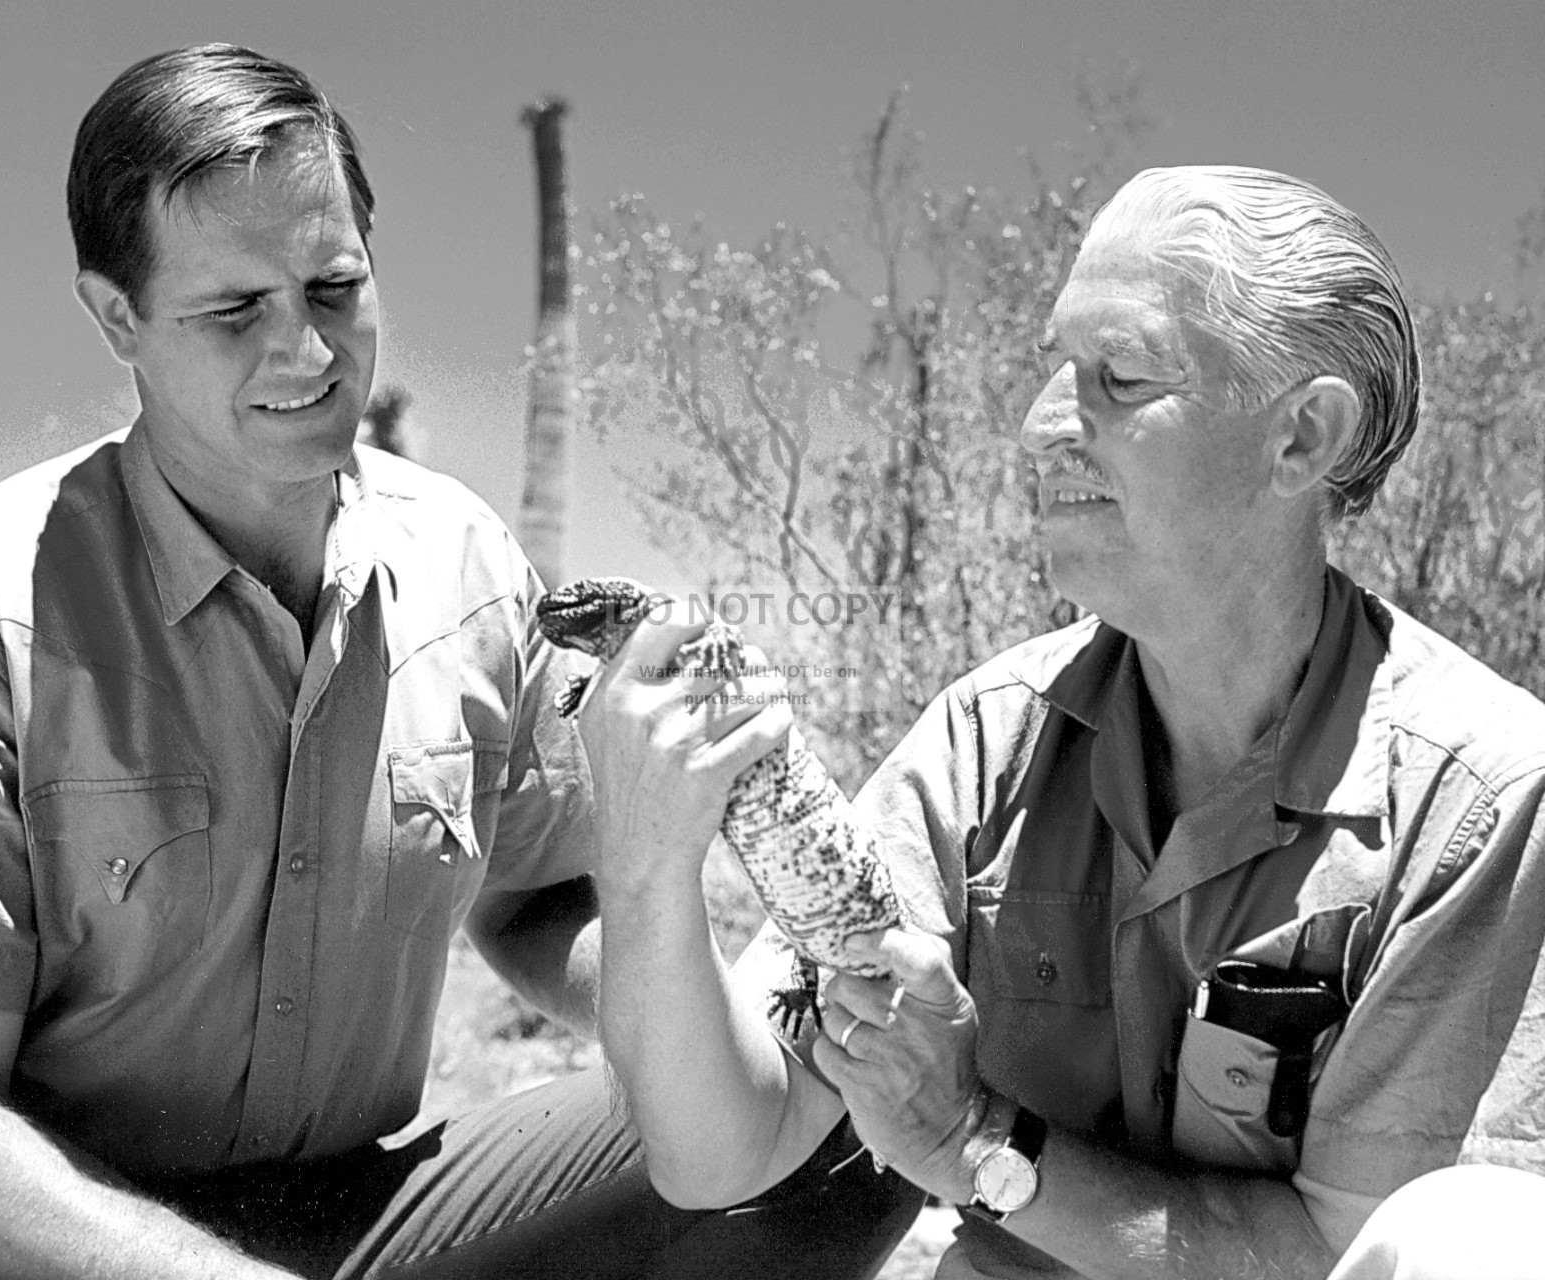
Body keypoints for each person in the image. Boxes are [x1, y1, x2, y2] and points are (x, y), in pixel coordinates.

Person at [0, 44, 919, 1280]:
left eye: (333, 286)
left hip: (360, 1212)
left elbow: (537, 895)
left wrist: (713, 1007)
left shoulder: (467, 565)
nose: (306, 352)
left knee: (846, 1113)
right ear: (116, 315)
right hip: (60, 1237)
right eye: (235, 310)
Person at [580, 166, 1545, 1279]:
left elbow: (1350, 1253)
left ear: (1301, 437)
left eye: (1118, 376)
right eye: (1054, 365)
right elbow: (727, 1151)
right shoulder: (987, 741)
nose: (1041, 425)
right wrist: (647, 871)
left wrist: (970, 1137)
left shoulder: (1486, 801)